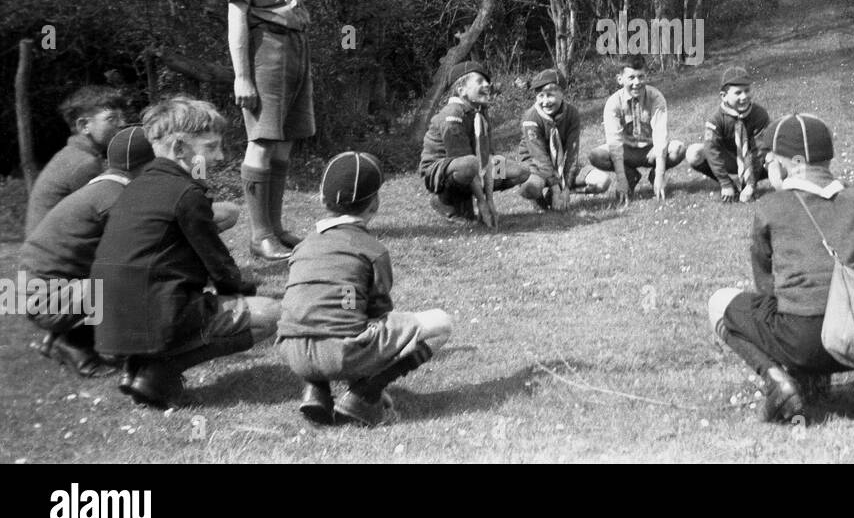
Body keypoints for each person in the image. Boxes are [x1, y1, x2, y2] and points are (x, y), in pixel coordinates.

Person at [91, 98, 280, 408]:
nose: (219, 156)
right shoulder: (186, 194)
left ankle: (138, 365)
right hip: (154, 319)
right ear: (180, 149)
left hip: (107, 328)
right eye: (211, 147)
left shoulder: (133, 189)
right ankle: (159, 369)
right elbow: (220, 267)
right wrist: (243, 293)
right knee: (269, 313)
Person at [708, 114, 854, 423]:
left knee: (719, 303)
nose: (766, 166)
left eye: (769, 159)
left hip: (800, 341)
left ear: (792, 162)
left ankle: (778, 380)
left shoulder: (771, 206)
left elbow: (767, 287)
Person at [278, 152, 453, 427]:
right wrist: (375, 380)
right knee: (441, 323)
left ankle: (316, 390)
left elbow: (313, 302)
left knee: (322, 309)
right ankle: (363, 395)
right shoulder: (371, 250)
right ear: (375, 204)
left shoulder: (301, 248)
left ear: (323, 200)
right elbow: (375, 313)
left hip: (292, 351)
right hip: (339, 353)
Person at [226, 0, 315, 261]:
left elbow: (295, 0)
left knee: (284, 143)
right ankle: (259, 236)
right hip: (264, 50)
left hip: (296, 46)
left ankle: (276, 228)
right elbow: (237, 15)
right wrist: (242, 76)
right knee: (261, 142)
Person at [20, 126, 153, 378]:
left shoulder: (106, 187)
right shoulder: (117, 199)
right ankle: (76, 343)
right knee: (140, 276)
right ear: (146, 166)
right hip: (45, 298)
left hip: (38, 290)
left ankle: (71, 337)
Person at [419, 60, 529, 228]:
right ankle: (443, 200)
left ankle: (468, 202)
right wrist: (481, 201)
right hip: (442, 171)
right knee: (470, 164)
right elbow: (466, 159)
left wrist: (490, 201)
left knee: (520, 171)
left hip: (474, 165)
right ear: (461, 90)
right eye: (480, 81)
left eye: (487, 81)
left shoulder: (480, 113)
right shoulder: (452, 115)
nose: (487, 85)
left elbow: (487, 158)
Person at [25, 85, 126, 235]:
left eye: (122, 117)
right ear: (84, 126)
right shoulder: (84, 164)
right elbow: (110, 220)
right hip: (58, 254)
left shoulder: (73, 155)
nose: (122, 124)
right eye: (111, 119)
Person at [588, 55, 686, 205]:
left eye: (641, 77)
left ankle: (654, 178)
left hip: (650, 150)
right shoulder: (613, 103)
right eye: (631, 77)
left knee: (678, 148)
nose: (637, 83)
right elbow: (614, 143)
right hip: (625, 151)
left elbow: (661, 136)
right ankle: (630, 176)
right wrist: (621, 179)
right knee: (596, 155)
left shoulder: (656, 97)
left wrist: (660, 174)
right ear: (620, 79)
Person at [518, 69, 610, 211]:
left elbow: (572, 154)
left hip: (560, 166)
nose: (545, 101)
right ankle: (540, 203)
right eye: (540, 96)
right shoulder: (531, 117)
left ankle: (562, 195)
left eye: (550, 95)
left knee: (603, 181)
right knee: (529, 188)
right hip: (535, 166)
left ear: (562, 93)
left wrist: (566, 188)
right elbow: (540, 157)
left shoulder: (572, 113)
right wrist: (556, 188)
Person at [685, 66, 772, 202]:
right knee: (693, 153)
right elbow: (711, 150)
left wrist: (751, 185)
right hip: (730, 163)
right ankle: (730, 184)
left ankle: (789, 189)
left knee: (785, 158)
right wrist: (724, 182)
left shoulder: (759, 114)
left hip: (756, 163)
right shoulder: (716, 119)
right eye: (738, 93)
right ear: (724, 96)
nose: (744, 97)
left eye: (747, 91)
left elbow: (760, 150)